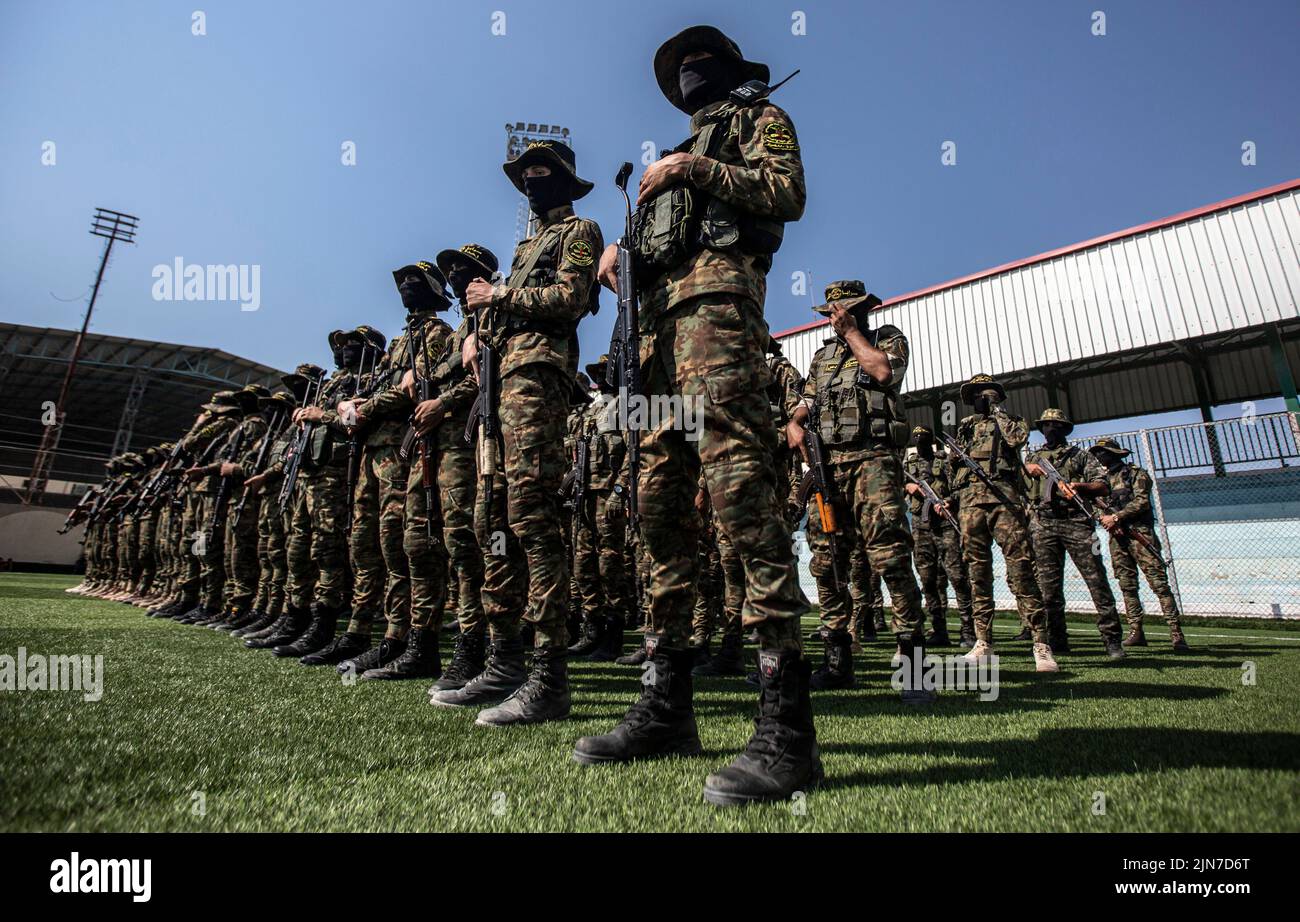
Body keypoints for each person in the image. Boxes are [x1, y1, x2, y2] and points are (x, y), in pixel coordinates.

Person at [576, 25, 819, 805]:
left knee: (744, 505)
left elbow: (788, 195)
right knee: (656, 513)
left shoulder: (755, 122)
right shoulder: (660, 176)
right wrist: (620, 266)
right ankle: (666, 704)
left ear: (724, 70)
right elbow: (655, 260)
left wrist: (694, 167)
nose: (686, 74)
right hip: (656, 346)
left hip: (717, 325)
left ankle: (787, 731)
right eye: (674, 68)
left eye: (697, 62)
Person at [430, 141, 603, 727]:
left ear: (563, 179)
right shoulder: (526, 247)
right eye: (523, 174)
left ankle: (549, 674)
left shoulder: (580, 230)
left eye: (541, 172)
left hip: (537, 379)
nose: (530, 181)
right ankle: (504, 660)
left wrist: (499, 295)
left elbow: (573, 298)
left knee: (531, 515)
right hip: (499, 388)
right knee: (494, 519)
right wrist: (480, 333)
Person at [951, 374, 1058, 672]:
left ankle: (1040, 643)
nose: (979, 399)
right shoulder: (965, 427)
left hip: (1004, 499)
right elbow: (954, 464)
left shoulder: (1013, 421)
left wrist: (997, 411)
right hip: (971, 503)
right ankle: (983, 639)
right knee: (977, 571)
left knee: (1021, 568)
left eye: (985, 394)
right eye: (975, 395)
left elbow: (1015, 439)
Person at [1024, 408, 1125, 658]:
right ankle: (1057, 640)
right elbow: (1020, 484)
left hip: (1077, 522)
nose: (1050, 429)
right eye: (1047, 425)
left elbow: (1103, 486)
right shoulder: (1034, 456)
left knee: (1096, 581)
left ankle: (1112, 640)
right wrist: (1028, 469)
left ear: (1064, 429)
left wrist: (1079, 487)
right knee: (1048, 589)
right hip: (1044, 523)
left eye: (1056, 425)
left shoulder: (1079, 456)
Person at [1089, 437, 1191, 652]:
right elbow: (1096, 506)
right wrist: (1106, 521)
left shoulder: (1136, 474)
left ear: (1114, 453)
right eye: (1097, 453)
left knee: (1159, 584)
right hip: (1117, 537)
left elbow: (1141, 501)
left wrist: (1117, 518)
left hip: (1139, 534)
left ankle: (1176, 632)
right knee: (1126, 585)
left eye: (1103, 452)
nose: (1099, 456)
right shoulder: (1101, 480)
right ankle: (1136, 631)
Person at [904, 426, 974, 648]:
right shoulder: (908, 464)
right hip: (920, 525)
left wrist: (949, 502)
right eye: (916, 439)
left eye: (924, 439)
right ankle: (938, 629)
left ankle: (968, 630)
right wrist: (909, 486)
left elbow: (959, 487)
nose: (920, 442)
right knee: (928, 580)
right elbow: (897, 485)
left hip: (944, 524)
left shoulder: (944, 461)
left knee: (957, 577)